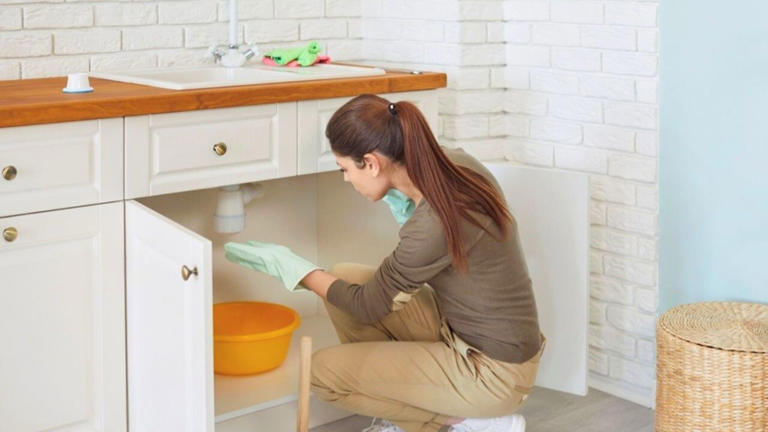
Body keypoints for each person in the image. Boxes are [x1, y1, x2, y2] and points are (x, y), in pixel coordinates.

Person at [224, 94, 544, 432]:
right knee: (344, 276)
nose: (346, 179)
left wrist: (296, 271)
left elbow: (368, 306)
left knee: (323, 375)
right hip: (474, 337)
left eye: (345, 169)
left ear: (372, 163)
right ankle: (429, 402)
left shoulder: (432, 223)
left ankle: (467, 423)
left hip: (491, 373)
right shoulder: (457, 164)